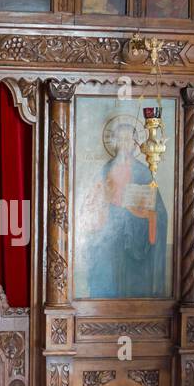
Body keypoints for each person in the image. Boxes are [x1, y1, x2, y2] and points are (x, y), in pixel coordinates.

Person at [81, 116, 168, 296]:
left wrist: (143, 214)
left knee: (129, 284)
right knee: (107, 274)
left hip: (135, 236)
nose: (124, 143)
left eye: (128, 139)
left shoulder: (143, 173)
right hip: (109, 233)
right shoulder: (105, 170)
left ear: (135, 144)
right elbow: (92, 203)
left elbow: (159, 213)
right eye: (120, 139)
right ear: (114, 143)